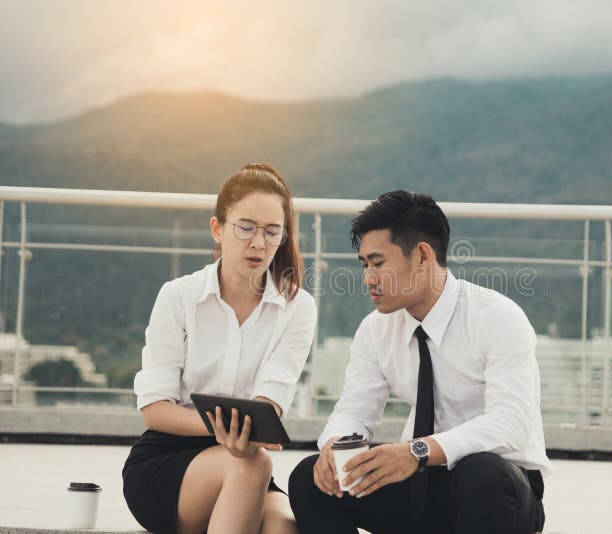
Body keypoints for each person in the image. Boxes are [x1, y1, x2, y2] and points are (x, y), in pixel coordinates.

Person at [289, 191, 552, 534]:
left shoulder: (497, 318)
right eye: (364, 264)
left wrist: (416, 451)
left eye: (379, 263)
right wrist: (335, 447)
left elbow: (510, 424)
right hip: (421, 486)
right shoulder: (375, 329)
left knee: (481, 472)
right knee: (309, 480)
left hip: (501, 492)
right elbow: (355, 410)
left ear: (423, 255)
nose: (368, 278)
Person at [122, 164, 317, 534]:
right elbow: (155, 410)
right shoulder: (179, 297)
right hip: (167, 462)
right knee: (256, 463)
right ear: (218, 228)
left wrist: (243, 438)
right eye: (245, 227)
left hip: (242, 457)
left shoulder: (297, 307)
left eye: (272, 231)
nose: (258, 243)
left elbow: (271, 402)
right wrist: (227, 431)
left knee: (285, 525)